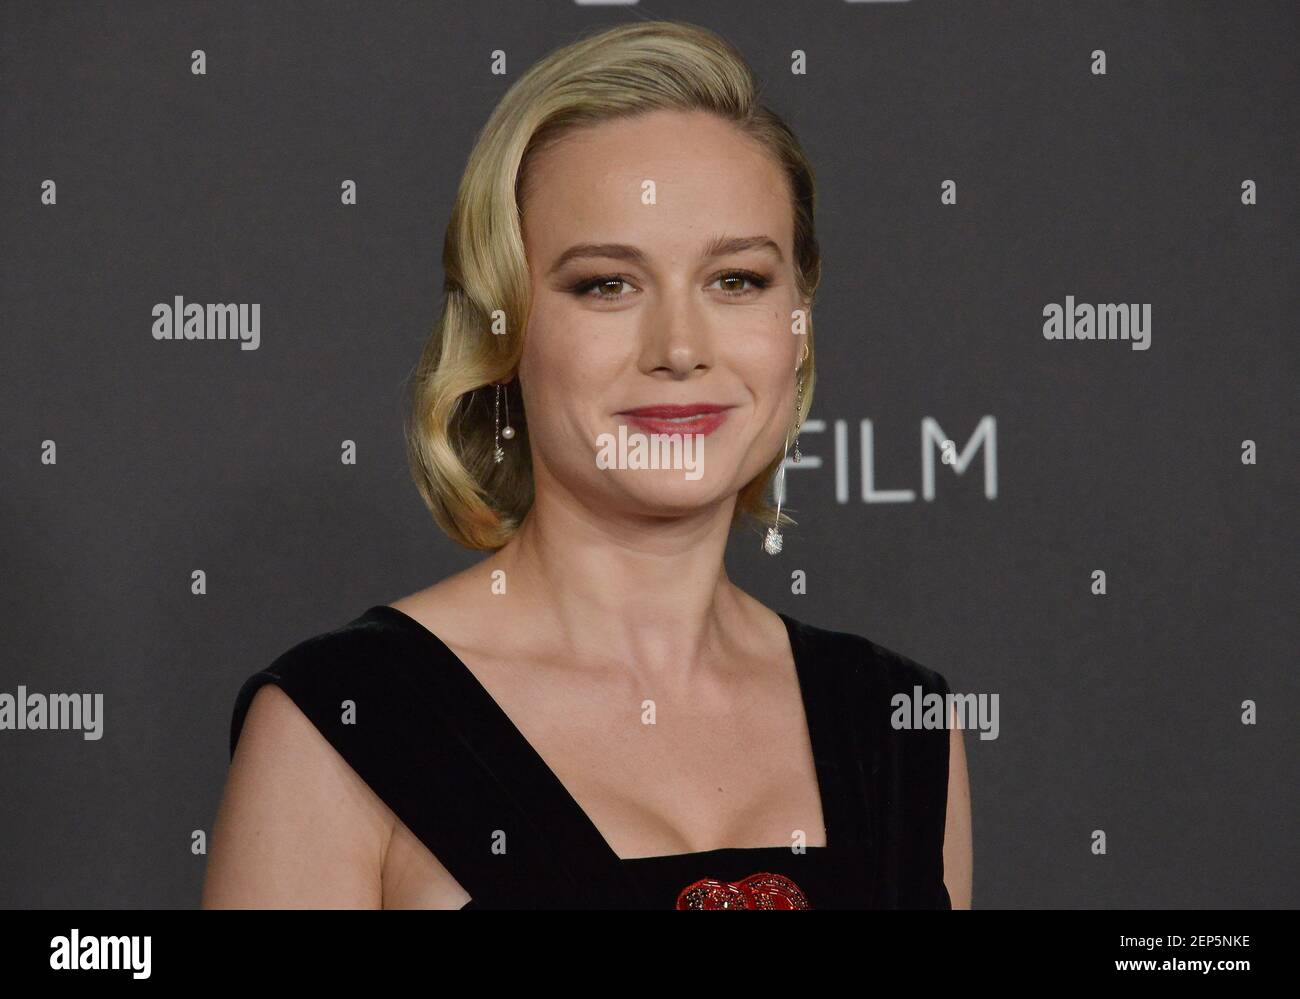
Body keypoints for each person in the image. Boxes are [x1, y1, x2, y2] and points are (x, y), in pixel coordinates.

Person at [202, 19, 972, 910]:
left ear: (797, 323)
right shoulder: (343, 722)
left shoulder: (900, 721)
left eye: (738, 281)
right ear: (505, 326)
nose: (680, 348)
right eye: (607, 283)